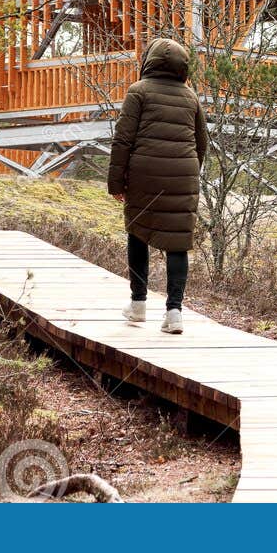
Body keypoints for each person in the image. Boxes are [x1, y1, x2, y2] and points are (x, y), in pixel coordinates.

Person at [107, 36, 208, 333]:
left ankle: (138, 305)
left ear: (148, 61)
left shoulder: (138, 91)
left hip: (143, 174)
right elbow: (202, 142)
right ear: (182, 66)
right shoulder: (191, 97)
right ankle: (174, 312)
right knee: (178, 243)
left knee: (137, 233)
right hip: (183, 173)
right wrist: (189, 173)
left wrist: (116, 182)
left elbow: (123, 140)